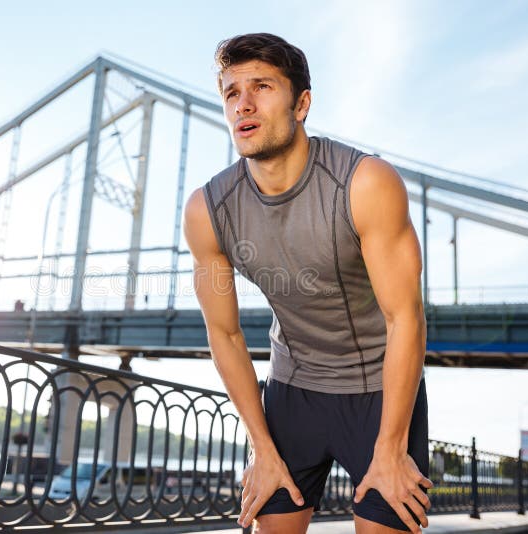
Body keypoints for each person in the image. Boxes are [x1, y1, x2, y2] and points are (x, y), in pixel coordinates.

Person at [183, 33, 432, 533]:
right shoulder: (208, 211)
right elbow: (225, 334)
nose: (244, 104)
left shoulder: (366, 183)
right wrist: (261, 447)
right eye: (231, 93)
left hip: (379, 394)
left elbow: (404, 317)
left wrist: (390, 448)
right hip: (292, 392)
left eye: (262, 87)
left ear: (302, 104)